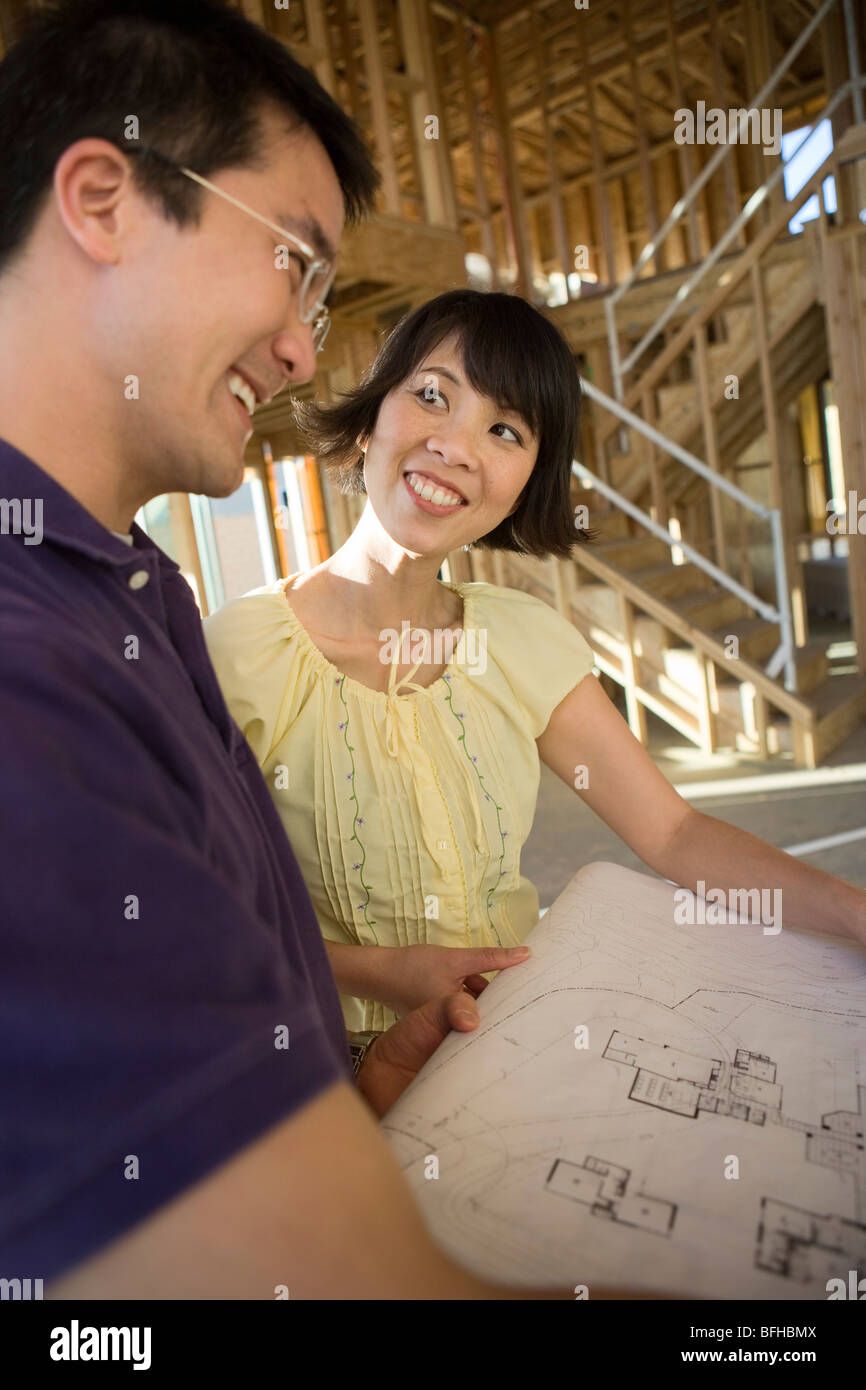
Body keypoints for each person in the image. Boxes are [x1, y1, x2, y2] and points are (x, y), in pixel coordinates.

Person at [0, 0, 597, 1301]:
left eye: (322, 301)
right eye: (290, 265)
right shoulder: (32, 672)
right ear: (100, 200)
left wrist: (370, 1064)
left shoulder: (130, 589)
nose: (298, 345)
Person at [203, 286, 866, 1037]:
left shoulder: (518, 640)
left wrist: (855, 911)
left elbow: (675, 835)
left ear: (525, 486)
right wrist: (377, 975)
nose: (456, 447)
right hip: (325, 1070)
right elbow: (191, 919)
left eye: (506, 431)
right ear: (369, 422)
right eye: (431, 396)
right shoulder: (241, 653)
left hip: (505, 1045)